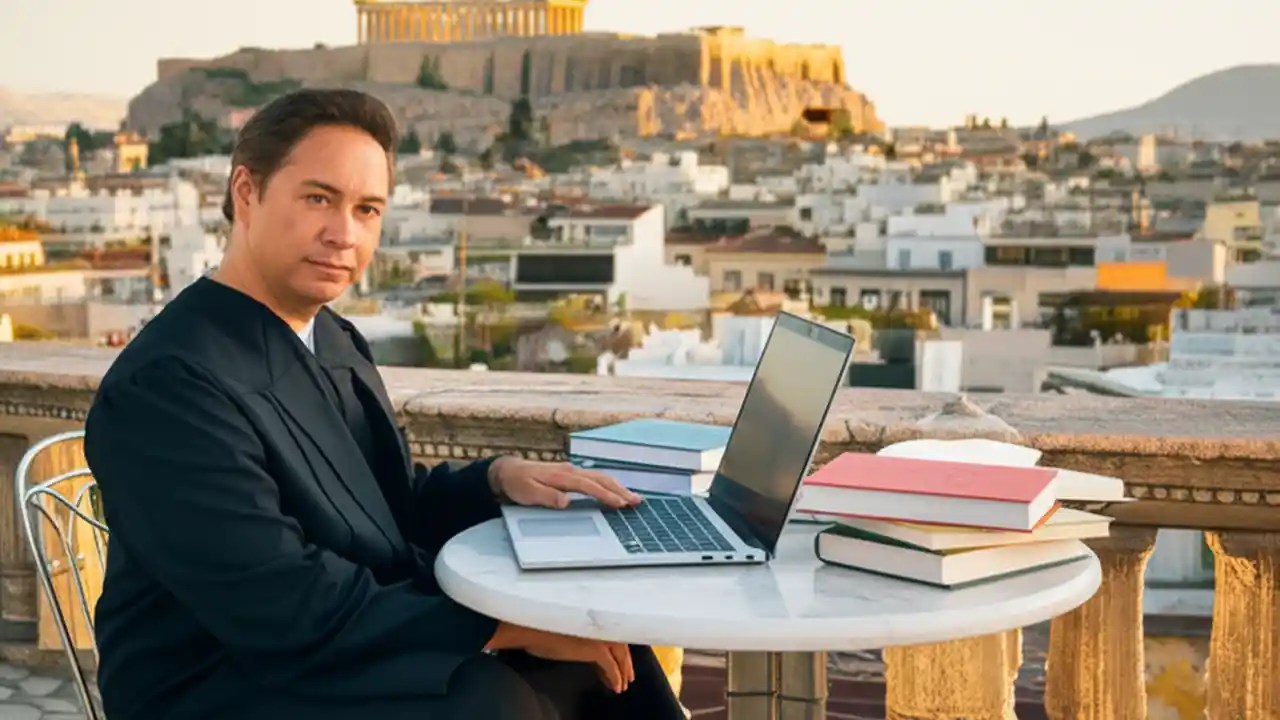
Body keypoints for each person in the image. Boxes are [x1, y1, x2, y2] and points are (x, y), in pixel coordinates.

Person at [83, 88, 688, 720]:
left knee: (604, 646)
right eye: (319, 198)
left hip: (339, 639)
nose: (343, 234)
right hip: (222, 682)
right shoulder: (169, 384)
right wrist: (508, 629)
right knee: (491, 697)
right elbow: (283, 603)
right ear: (246, 192)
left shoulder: (331, 339)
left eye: (367, 210)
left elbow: (382, 506)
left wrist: (497, 481)